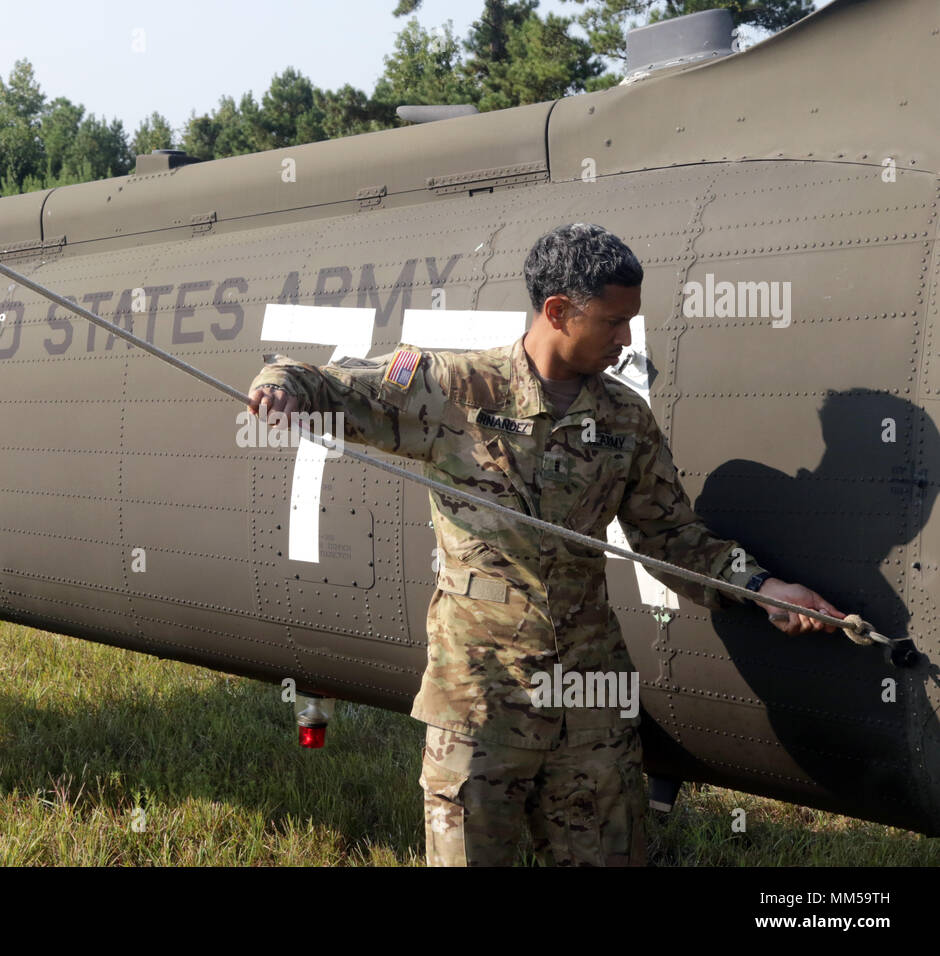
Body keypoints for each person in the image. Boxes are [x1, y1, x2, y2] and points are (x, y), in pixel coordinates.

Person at [246, 223, 845, 866]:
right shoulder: (452, 389)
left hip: (591, 702)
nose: (625, 341)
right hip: (480, 695)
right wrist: (282, 385)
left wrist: (759, 587)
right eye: (614, 324)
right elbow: (330, 381)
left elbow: (670, 537)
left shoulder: (624, 419)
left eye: (630, 324)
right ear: (558, 311)